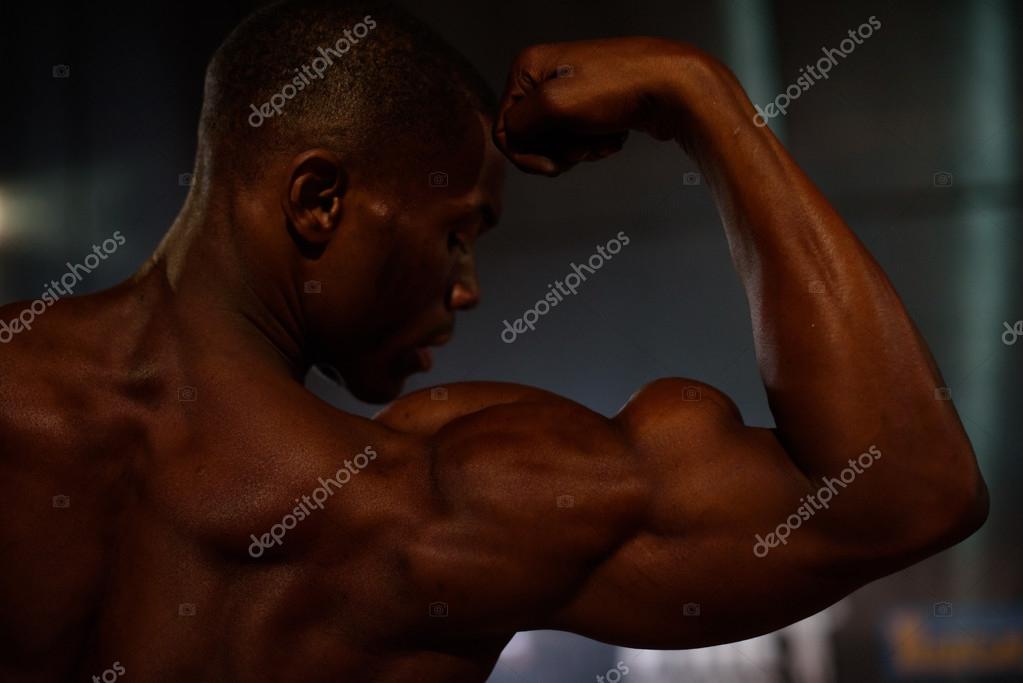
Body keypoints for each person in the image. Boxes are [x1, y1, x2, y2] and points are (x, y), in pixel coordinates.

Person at [0, 1, 987, 680]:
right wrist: (699, 98)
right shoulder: (429, 504)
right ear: (318, 201)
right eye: (456, 231)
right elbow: (902, 488)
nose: (467, 286)